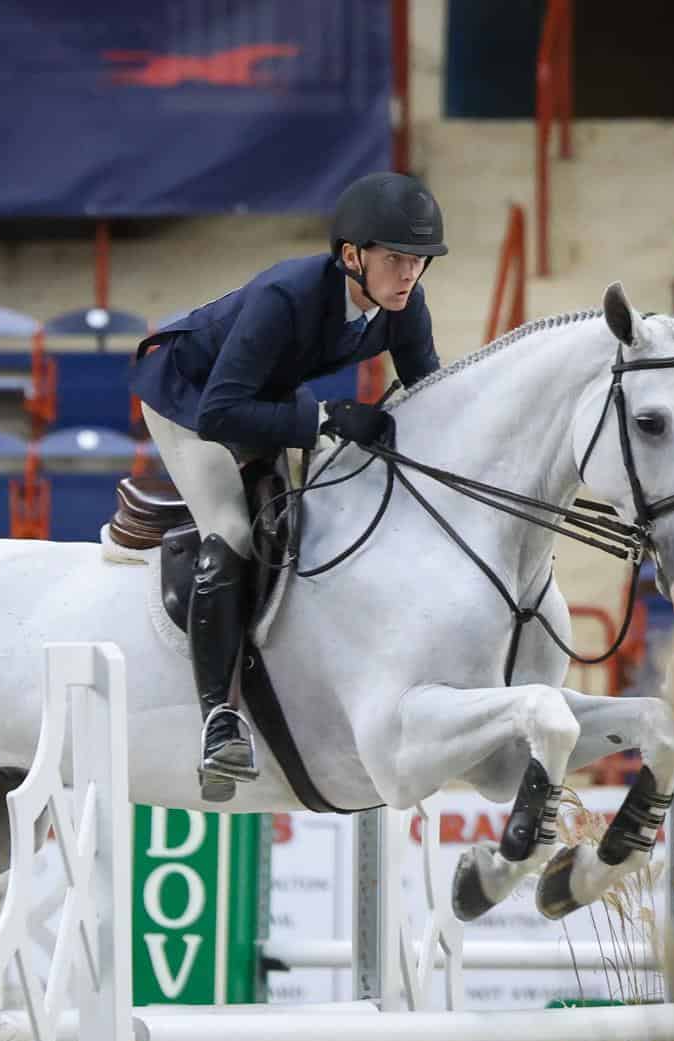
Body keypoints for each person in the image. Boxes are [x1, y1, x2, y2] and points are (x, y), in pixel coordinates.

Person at [130, 170, 448, 801]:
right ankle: (219, 722)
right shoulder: (287, 295)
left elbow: (429, 394)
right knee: (234, 528)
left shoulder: (402, 306)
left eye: (418, 261)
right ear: (352, 257)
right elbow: (221, 412)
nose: (408, 275)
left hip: (266, 392)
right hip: (188, 393)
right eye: (394, 259)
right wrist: (326, 418)